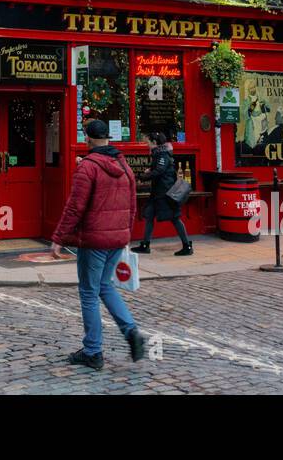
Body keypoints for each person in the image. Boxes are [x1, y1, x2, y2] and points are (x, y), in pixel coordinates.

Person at [50, 119, 146, 370]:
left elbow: (75, 207)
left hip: (94, 240)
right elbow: (132, 204)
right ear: (108, 137)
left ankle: (93, 351)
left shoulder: (88, 167)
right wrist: (126, 233)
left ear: (88, 138)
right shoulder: (124, 165)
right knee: (105, 285)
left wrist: (59, 238)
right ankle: (130, 330)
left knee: (89, 292)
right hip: (117, 238)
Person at [132, 131, 191, 256]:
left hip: (165, 193)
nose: (146, 145)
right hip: (157, 193)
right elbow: (159, 169)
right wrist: (150, 170)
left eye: (148, 142)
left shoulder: (162, 155)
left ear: (154, 143)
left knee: (175, 218)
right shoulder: (158, 154)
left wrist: (144, 176)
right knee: (149, 216)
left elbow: (160, 170)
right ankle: (145, 245)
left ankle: (187, 246)